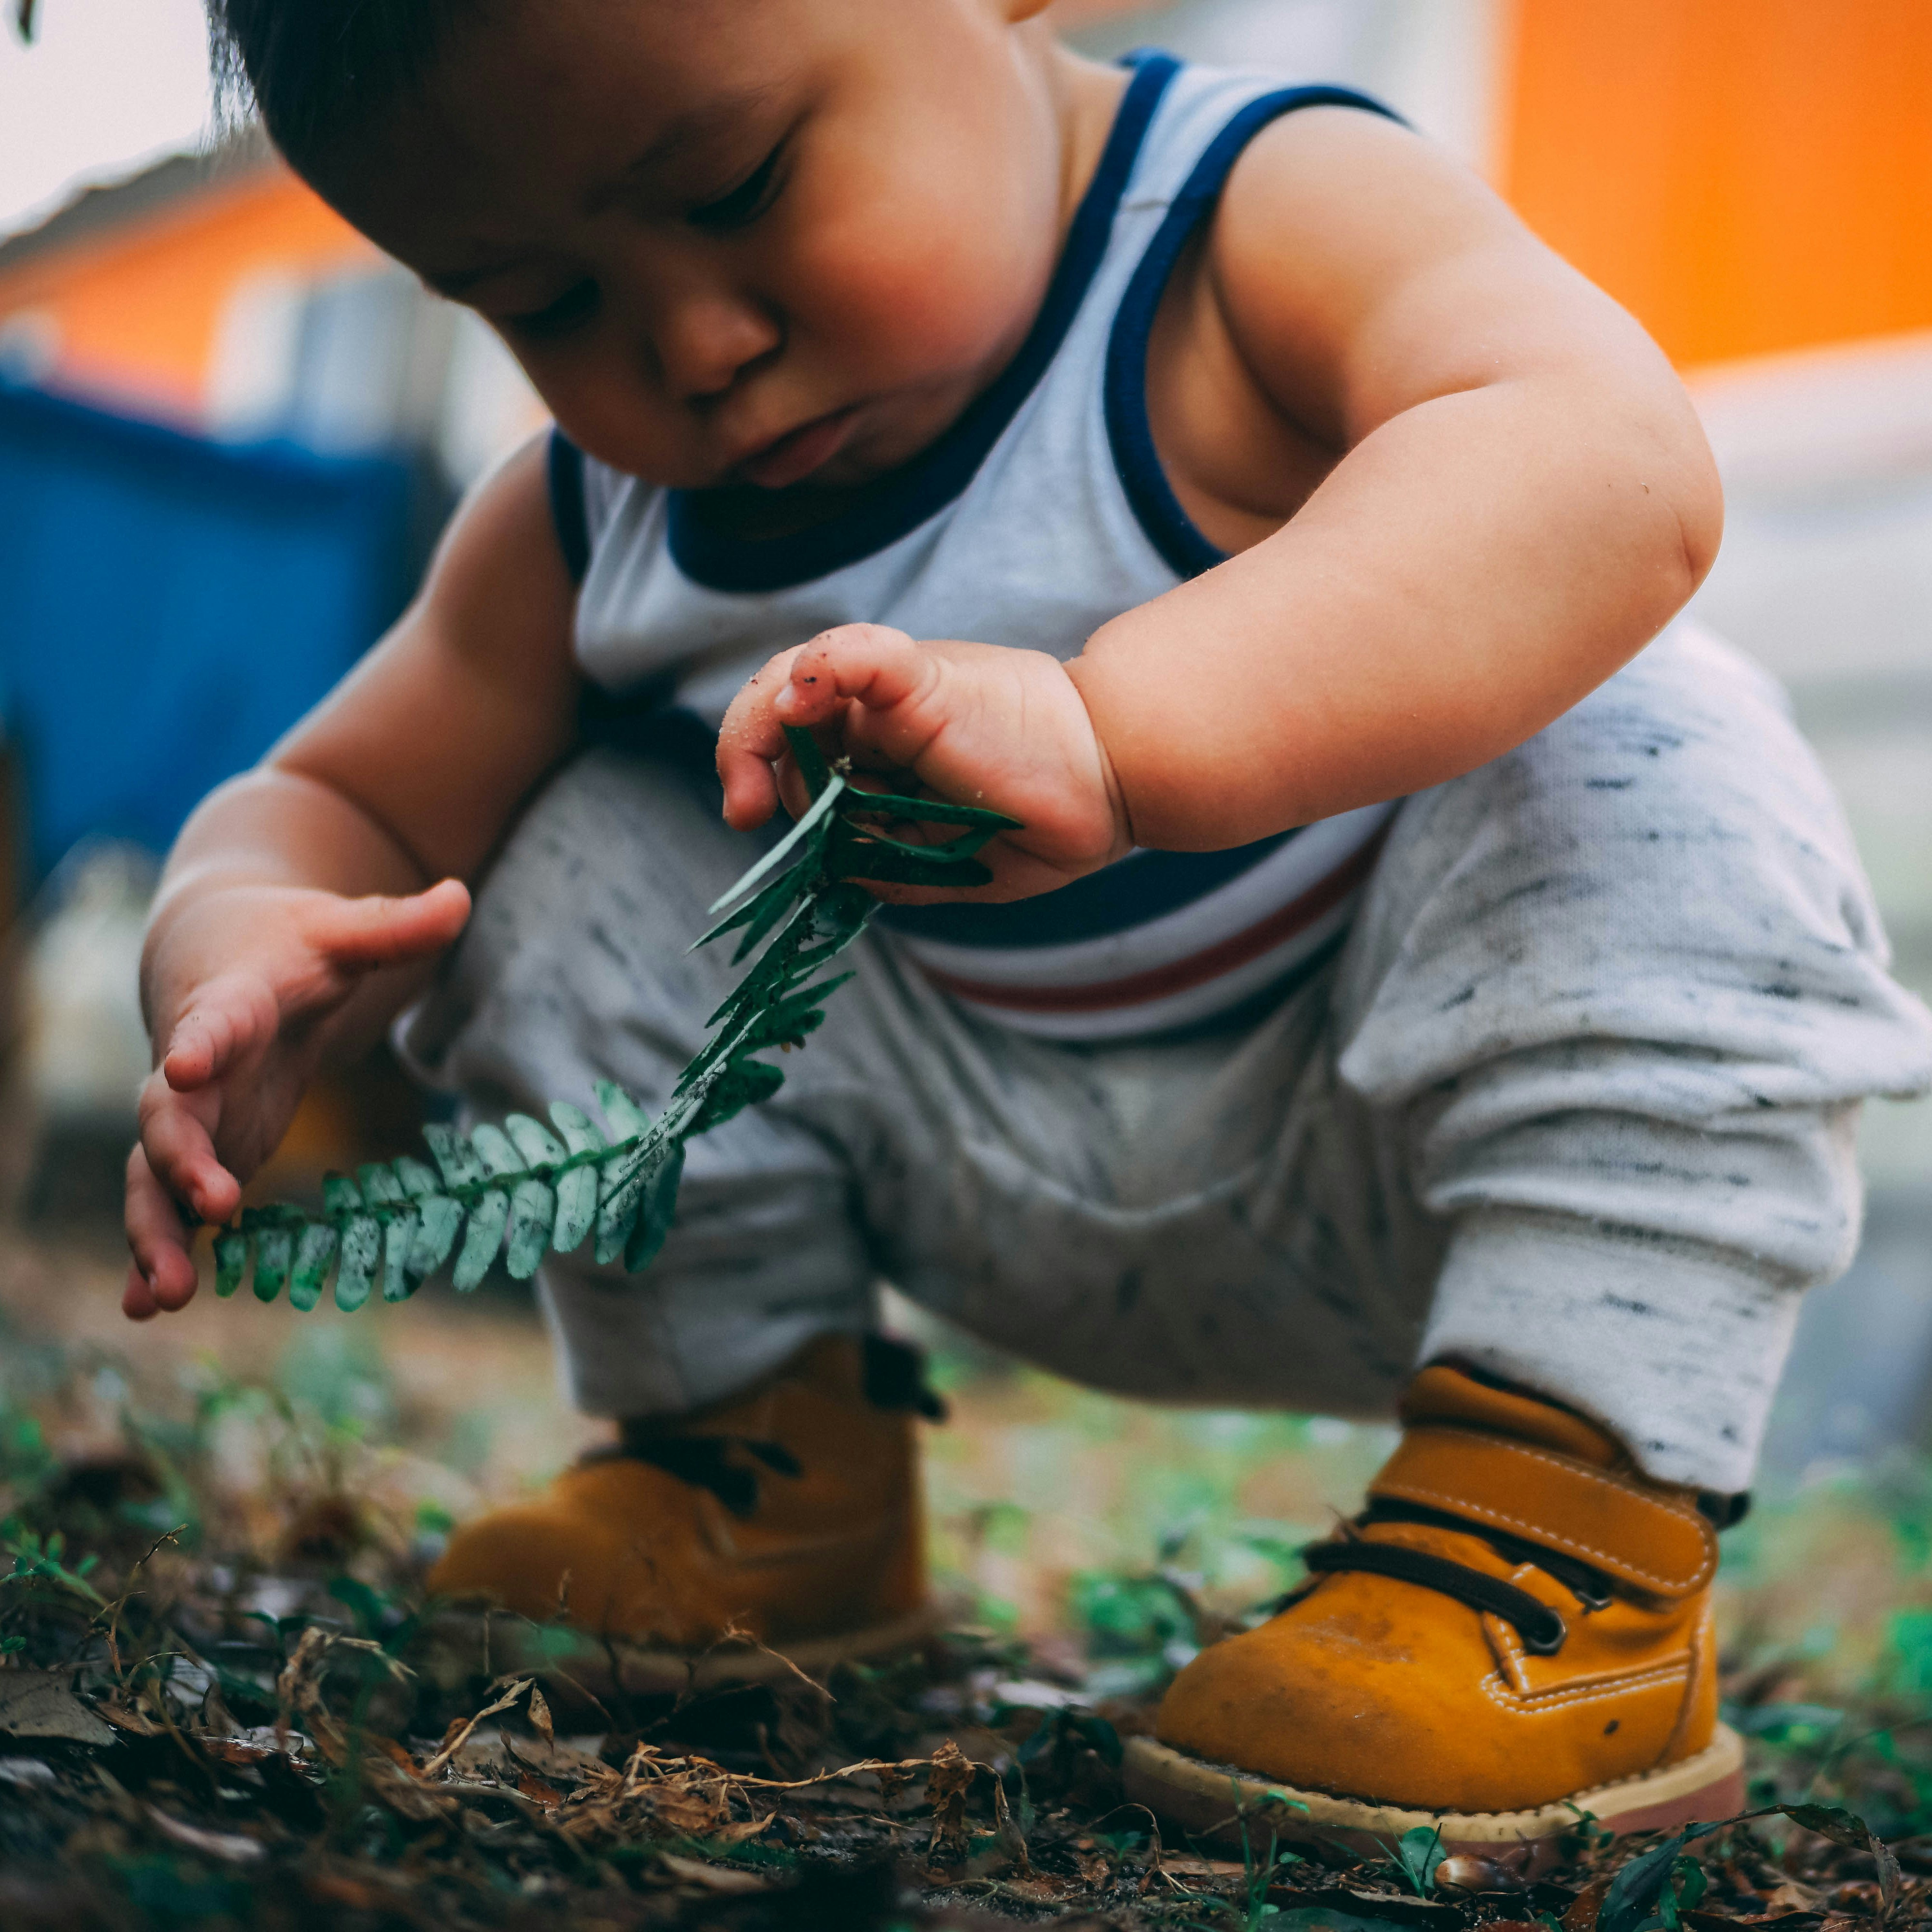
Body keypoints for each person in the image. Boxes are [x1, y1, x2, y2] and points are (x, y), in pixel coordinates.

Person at [127, 0, 1932, 1851]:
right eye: (541, 300)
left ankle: (1559, 1539)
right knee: (577, 837)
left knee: (1650, 734)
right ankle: (753, 1459)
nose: (693, 346)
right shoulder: (601, 517)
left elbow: (1608, 454)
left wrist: (1119, 729)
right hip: (965, 1166)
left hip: (1430, 1146)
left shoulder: (1240, 230)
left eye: (742, 185)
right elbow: (343, 793)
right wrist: (244, 936)